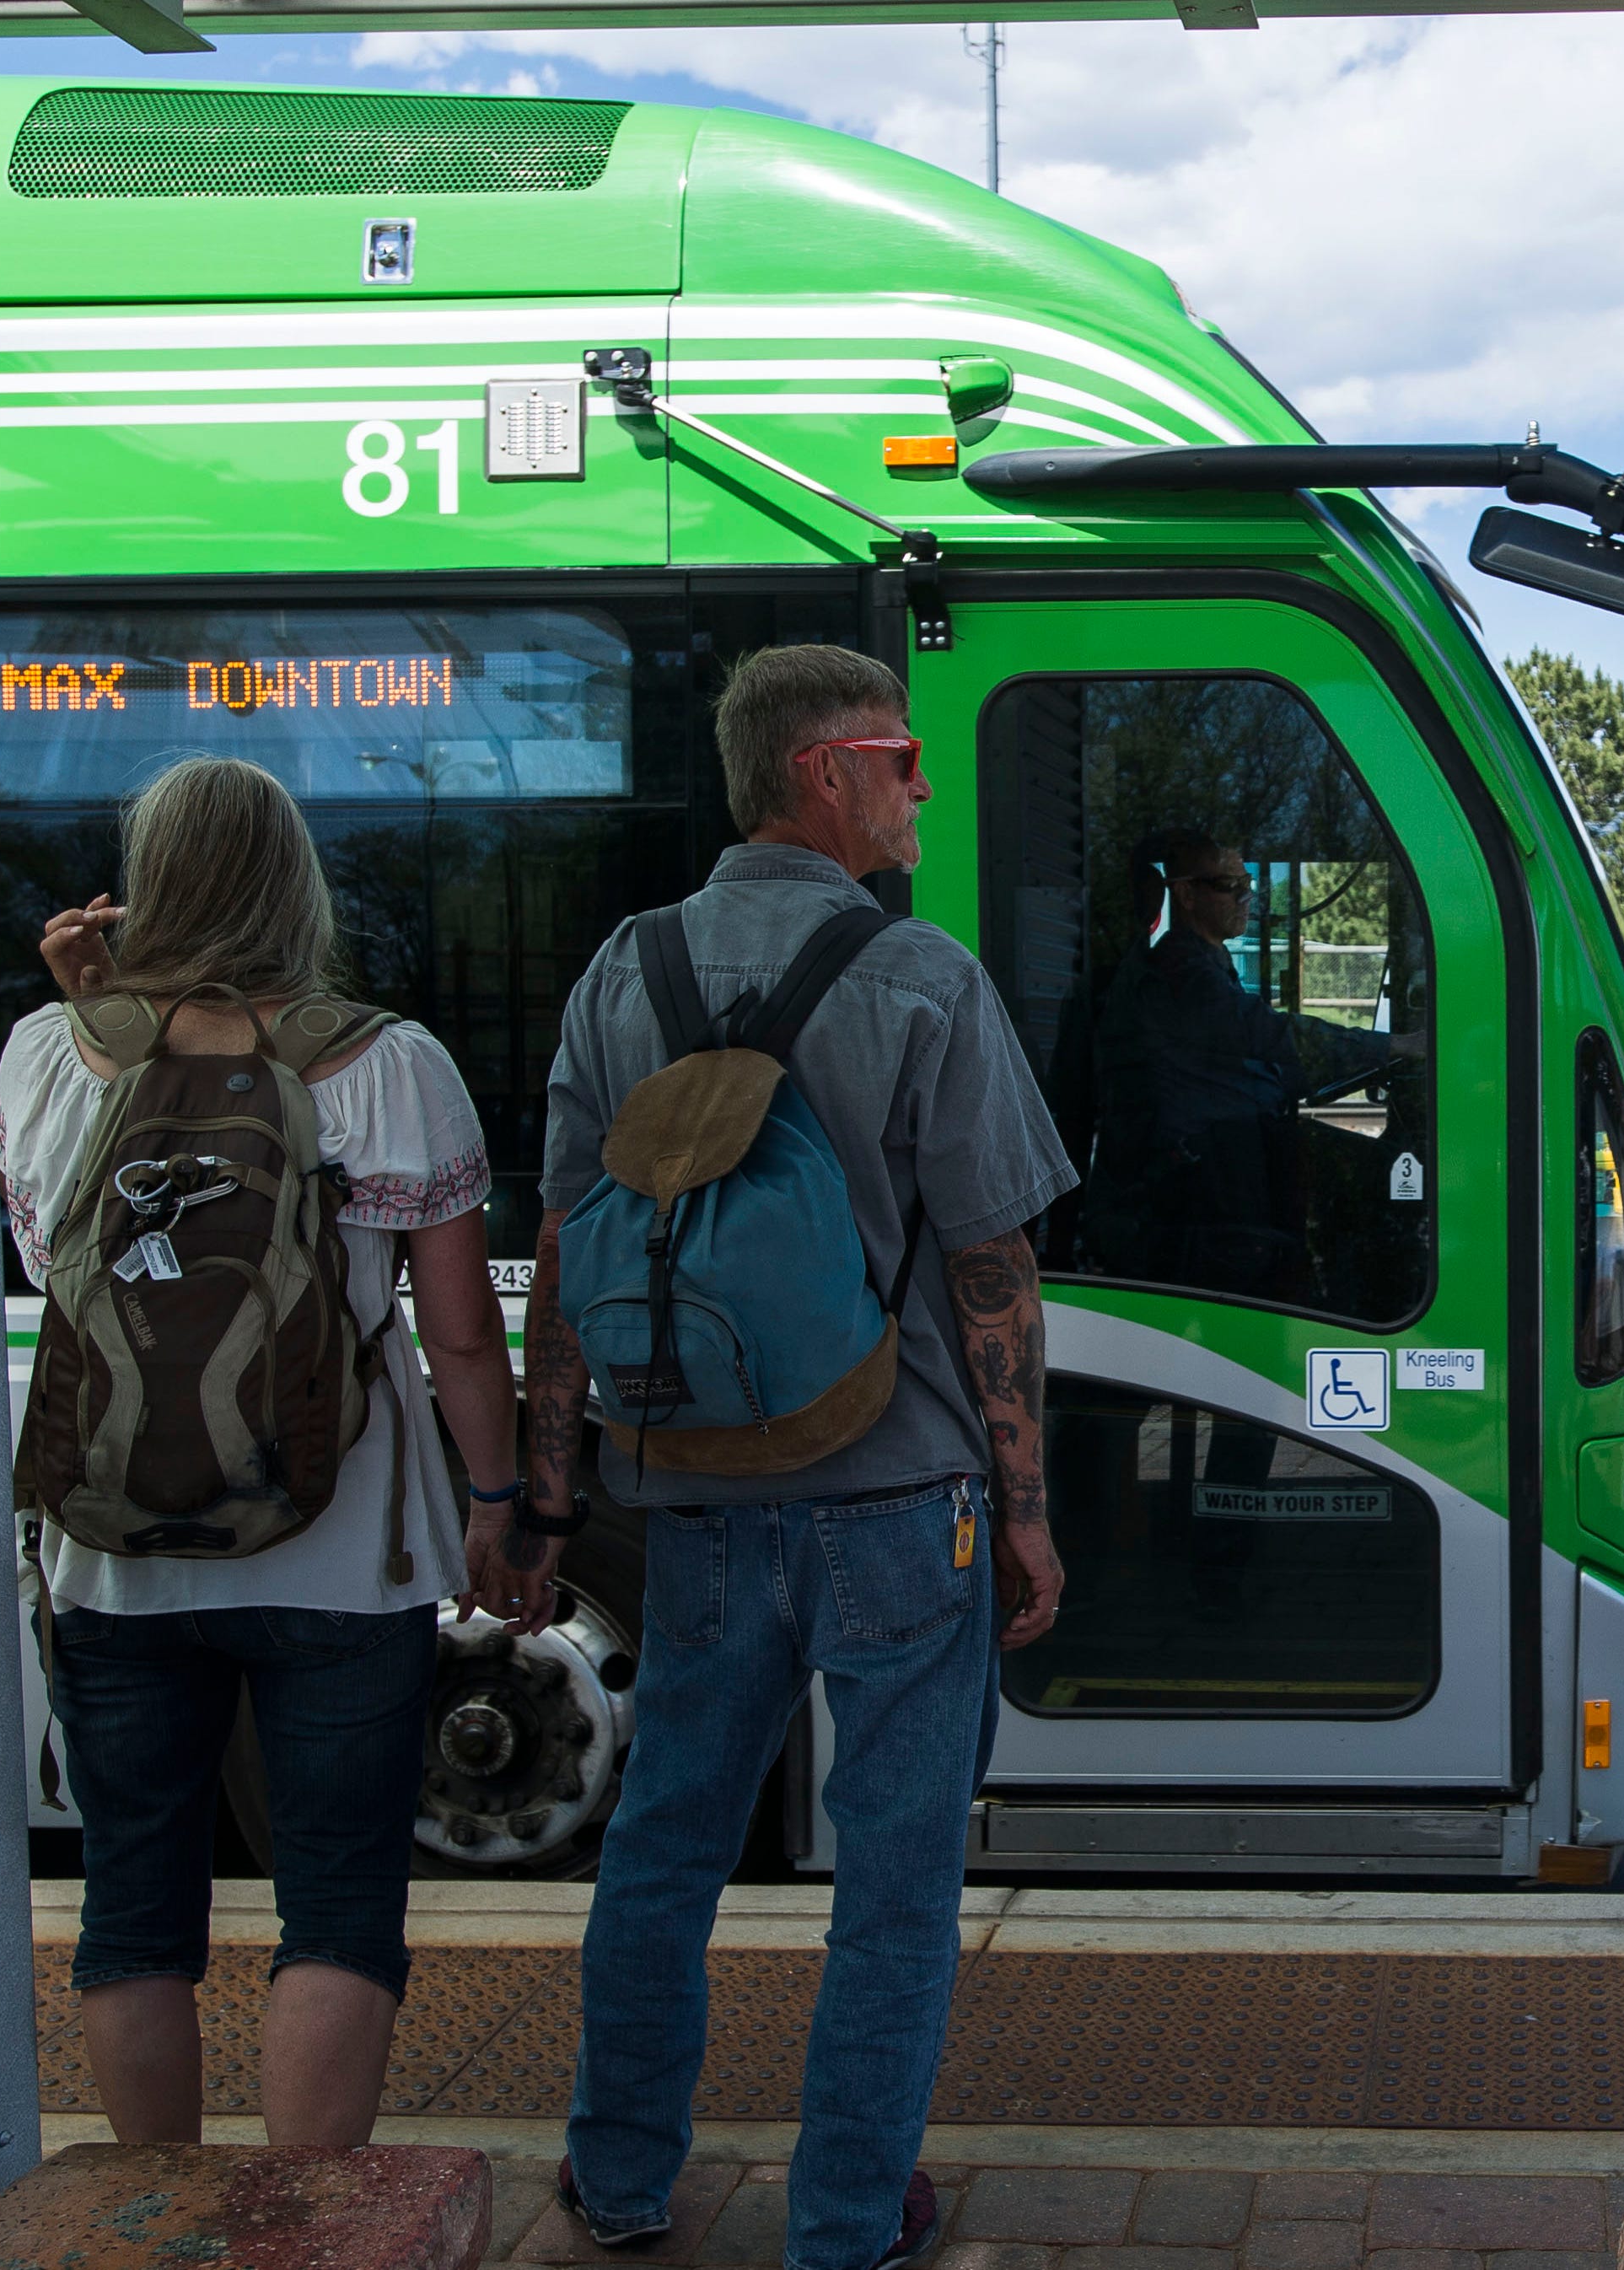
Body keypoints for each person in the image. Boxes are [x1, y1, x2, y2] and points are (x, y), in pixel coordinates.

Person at [508, 643, 1073, 2270]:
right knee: (892, 1879)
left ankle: (618, 2182)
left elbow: (564, 1255)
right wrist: (1027, 1515)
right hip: (904, 1502)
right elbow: (991, 1273)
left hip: (692, 1498)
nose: (922, 788)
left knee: (665, 1846)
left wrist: (553, 1500)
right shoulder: (926, 980)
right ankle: (840, 2220)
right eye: (903, 760)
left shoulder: (626, 971)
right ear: (823, 770)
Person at [0, 755, 522, 2149]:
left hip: (111, 1556)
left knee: (134, 1909)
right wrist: (501, 1500)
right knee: (338, 1904)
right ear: (300, 880)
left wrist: (88, 1004)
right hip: (348, 1555)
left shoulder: (47, 1056)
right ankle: (311, 2230)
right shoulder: (392, 1061)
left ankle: (157, 2212)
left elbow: (61, 1269)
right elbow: (464, 1337)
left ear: (146, 879)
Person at [1062, 827, 1425, 1304]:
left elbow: (1258, 1064)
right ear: (1188, 894)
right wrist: (1396, 1046)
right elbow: (1273, 1036)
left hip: (1214, 1191)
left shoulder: (1202, 968)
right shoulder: (1180, 974)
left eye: (1248, 883)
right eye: (1231, 886)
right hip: (1197, 1210)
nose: (1248, 896)